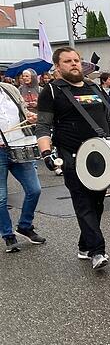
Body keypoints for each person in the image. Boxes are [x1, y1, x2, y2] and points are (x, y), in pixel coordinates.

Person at [36, 47, 110, 270]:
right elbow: (43, 126)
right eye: (68, 61)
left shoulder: (93, 86)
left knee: (98, 203)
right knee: (83, 203)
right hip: (72, 155)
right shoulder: (52, 91)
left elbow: (108, 119)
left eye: (76, 60)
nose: (74, 64)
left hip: (100, 155)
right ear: (58, 66)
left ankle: (84, 246)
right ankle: (97, 251)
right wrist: (46, 152)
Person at [1, 80, 43, 253]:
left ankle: (25, 226)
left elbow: (22, 112)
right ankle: (8, 234)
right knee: (1, 197)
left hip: (18, 145)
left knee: (34, 189)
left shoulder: (9, 89)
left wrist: (29, 116)